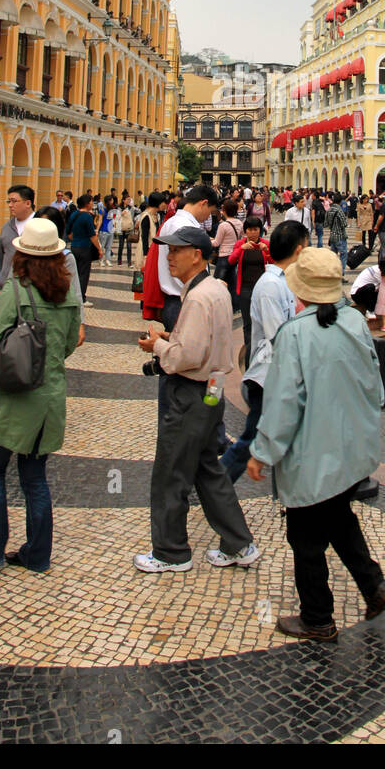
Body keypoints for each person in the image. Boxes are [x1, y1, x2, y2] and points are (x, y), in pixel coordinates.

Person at [247, 249, 385, 642]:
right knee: (338, 517)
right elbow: (374, 384)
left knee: (305, 537)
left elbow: (283, 403)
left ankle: (317, 617)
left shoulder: (295, 333)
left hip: (314, 454)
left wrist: (263, 452)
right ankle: (374, 586)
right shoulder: (354, 321)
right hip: (351, 450)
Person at [134, 226, 259, 572]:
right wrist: (173, 337)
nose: (169, 256)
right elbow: (202, 340)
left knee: (171, 473)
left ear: (197, 255)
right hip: (211, 393)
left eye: (177, 250)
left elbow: (185, 356)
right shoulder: (214, 288)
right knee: (208, 470)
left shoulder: (199, 295)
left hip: (188, 394)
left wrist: (158, 345)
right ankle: (238, 544)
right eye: (168, 250)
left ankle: (170, 552)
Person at [0, 218, 80, 572]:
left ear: (22, 255)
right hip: (51, 397)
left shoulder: (17, 290)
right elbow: (70, 344)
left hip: (16, 395)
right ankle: (37, 554)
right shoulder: (69, 296)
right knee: (34, 477)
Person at [220, 219, 309, 482]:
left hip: (276, 374)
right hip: (267, 378)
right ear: (298, 251)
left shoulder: (282, 281)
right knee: (251, 439)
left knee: (264, 437)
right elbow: (277, 336)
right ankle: (215, 486)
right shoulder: (271, 286)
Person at [157, 184, 219, 334]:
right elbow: (190, 268)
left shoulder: (172, 222)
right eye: (210, 212)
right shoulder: (183, 226)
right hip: (183, 300)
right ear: (203, 203)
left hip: (178, 298)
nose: (208, 217)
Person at [228, 216, 272, 367]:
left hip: (263, 290)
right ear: (245, 231)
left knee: (263, 323)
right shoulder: (241, 244)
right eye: (249, 229)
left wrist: (266, 252)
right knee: (248, 325)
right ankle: (249, 359)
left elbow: (274, 262)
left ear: (260, 230)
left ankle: (263, 358)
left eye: (255, 229)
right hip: (245, 289)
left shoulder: (265, 244)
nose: (253, 233)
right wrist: (241, 249)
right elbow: (231, 260)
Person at [0, 185, 36, 291]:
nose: (10, 205)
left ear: (28, 203)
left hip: (32, 287)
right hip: (7, 286)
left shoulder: (39, 226)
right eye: (8, 202)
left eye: (14, 201)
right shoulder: (7, 227)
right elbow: (0, 257)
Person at [212, 199, 244, 289]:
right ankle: (234, 301)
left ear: (224, 211)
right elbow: (243, 237)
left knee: (217, 283)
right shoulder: (240, 223)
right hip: (234, 255)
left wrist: (207, 240)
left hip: (224, 256)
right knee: (232, 283)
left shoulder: (223, 225)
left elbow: (216, 243)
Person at [324, 196, 349, 275]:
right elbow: (344, 224)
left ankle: (332, 272)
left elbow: (326, 224)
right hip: (340, 236)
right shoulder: (339, 210)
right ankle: (341, 273)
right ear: (340, 202)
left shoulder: (329, 210)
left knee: (333, 255)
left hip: (332, 236)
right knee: (343, 254)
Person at [114, 196, 135, 266]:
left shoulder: (131, 208)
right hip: (121, 229)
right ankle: (119, 260)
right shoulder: (119, 208)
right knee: (121, 245)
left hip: (129, 229)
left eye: (130, 199)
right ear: (123, 200)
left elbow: (137, 213)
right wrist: (121, 214)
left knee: (129, 246)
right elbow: (116, 217)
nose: (129, 201)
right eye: (127, 199)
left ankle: (129, 262)